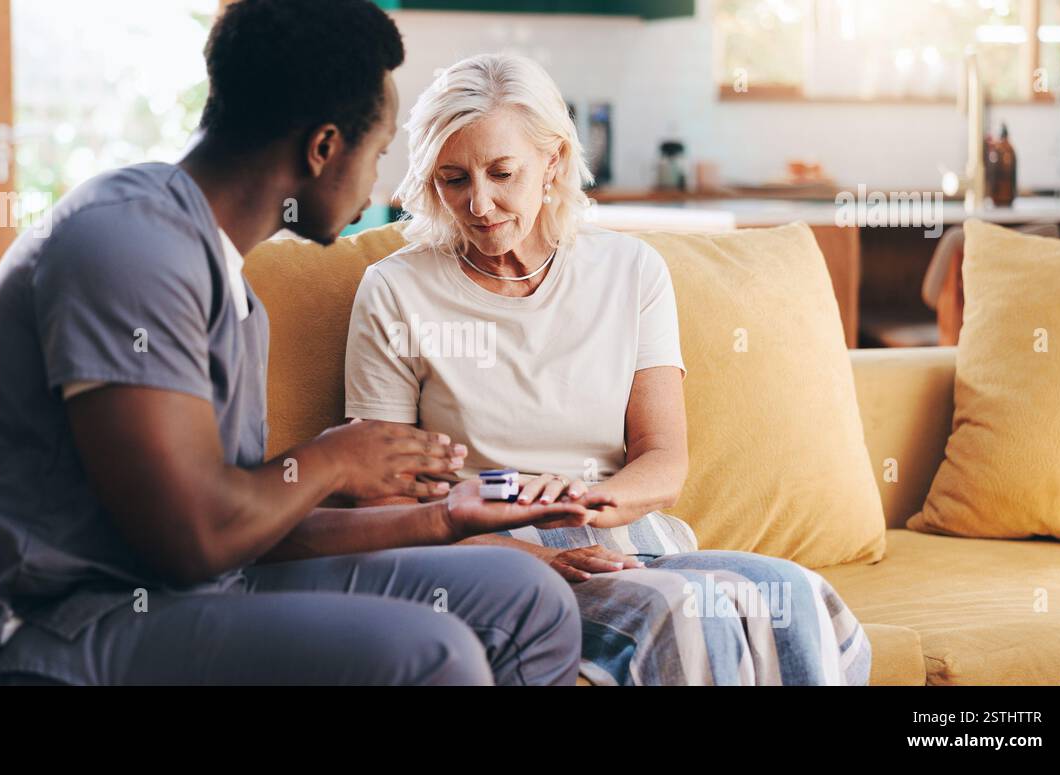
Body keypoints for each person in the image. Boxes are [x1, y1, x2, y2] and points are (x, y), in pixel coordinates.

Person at [0, 0, 599, 687]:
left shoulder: (230, 287)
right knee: (429, 653)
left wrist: (441, 517)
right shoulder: (125, 246)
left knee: (525, 597)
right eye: (379, 151)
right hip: (29, 636)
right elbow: (193, 535)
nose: (380, 180)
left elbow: (242, 524)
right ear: (324, 149)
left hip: (180, 593)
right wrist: (332, 459)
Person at [344, 52, 872, 685]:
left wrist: (582, 501)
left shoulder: (632, 271)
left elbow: (663, 461)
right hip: (480, 558)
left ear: (553, 162)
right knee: (682, 611)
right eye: (454, 179)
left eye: (501, 173)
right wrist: (515, 550)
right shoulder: (395, 290)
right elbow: (380, 497)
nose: (479, 204)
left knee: (797, 599)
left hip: (628, 541)